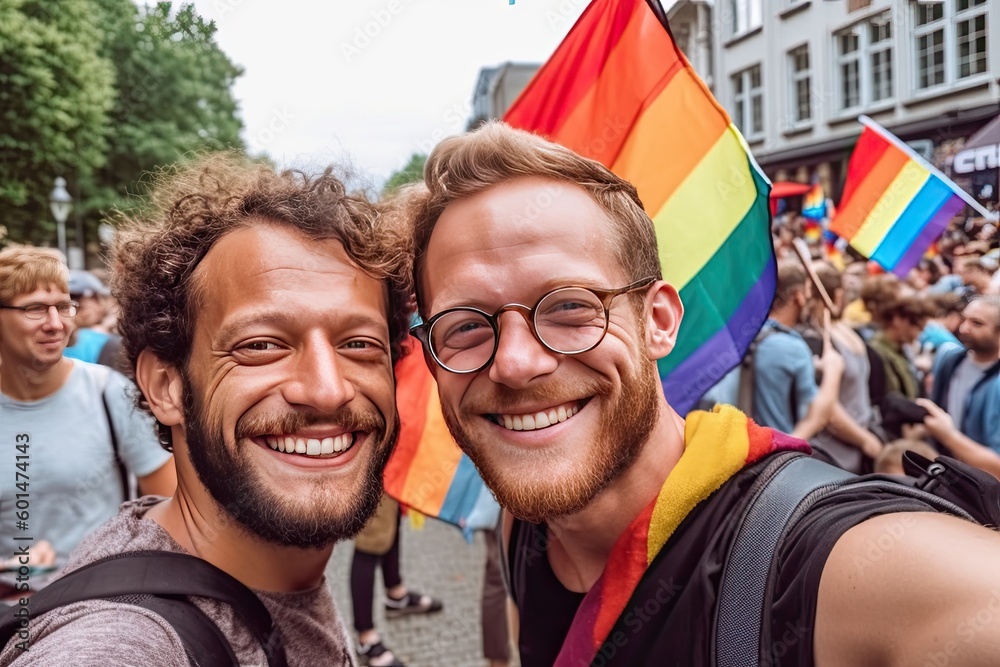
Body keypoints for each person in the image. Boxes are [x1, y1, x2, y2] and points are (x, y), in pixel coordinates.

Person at [398, 121, 1000, 666]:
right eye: (466, 325)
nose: (515, 363)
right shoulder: (523, 526)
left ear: (658, 321)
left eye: (570, 308)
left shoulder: (829, 562)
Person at [0, 155, 411, 666]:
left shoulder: (278, 579)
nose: (327, 391)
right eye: (262, 345)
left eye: (358, 344)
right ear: (166, 386)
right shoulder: (119, 642)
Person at [0, 246, 175, 580]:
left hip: (100, 601)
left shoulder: (108, 393)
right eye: (35, 309)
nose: (55, 324)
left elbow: (170, 507)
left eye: (64, 307)